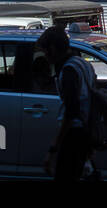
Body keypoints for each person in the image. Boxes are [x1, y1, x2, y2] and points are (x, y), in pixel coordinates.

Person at [36, 26, 99, 182]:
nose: (45, 56)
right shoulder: (83, 64)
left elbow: (71, 112)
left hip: (74, 135)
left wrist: (54, 147)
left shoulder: (68, 71)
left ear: (52, 49)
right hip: (86, 129)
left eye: (45, 51)